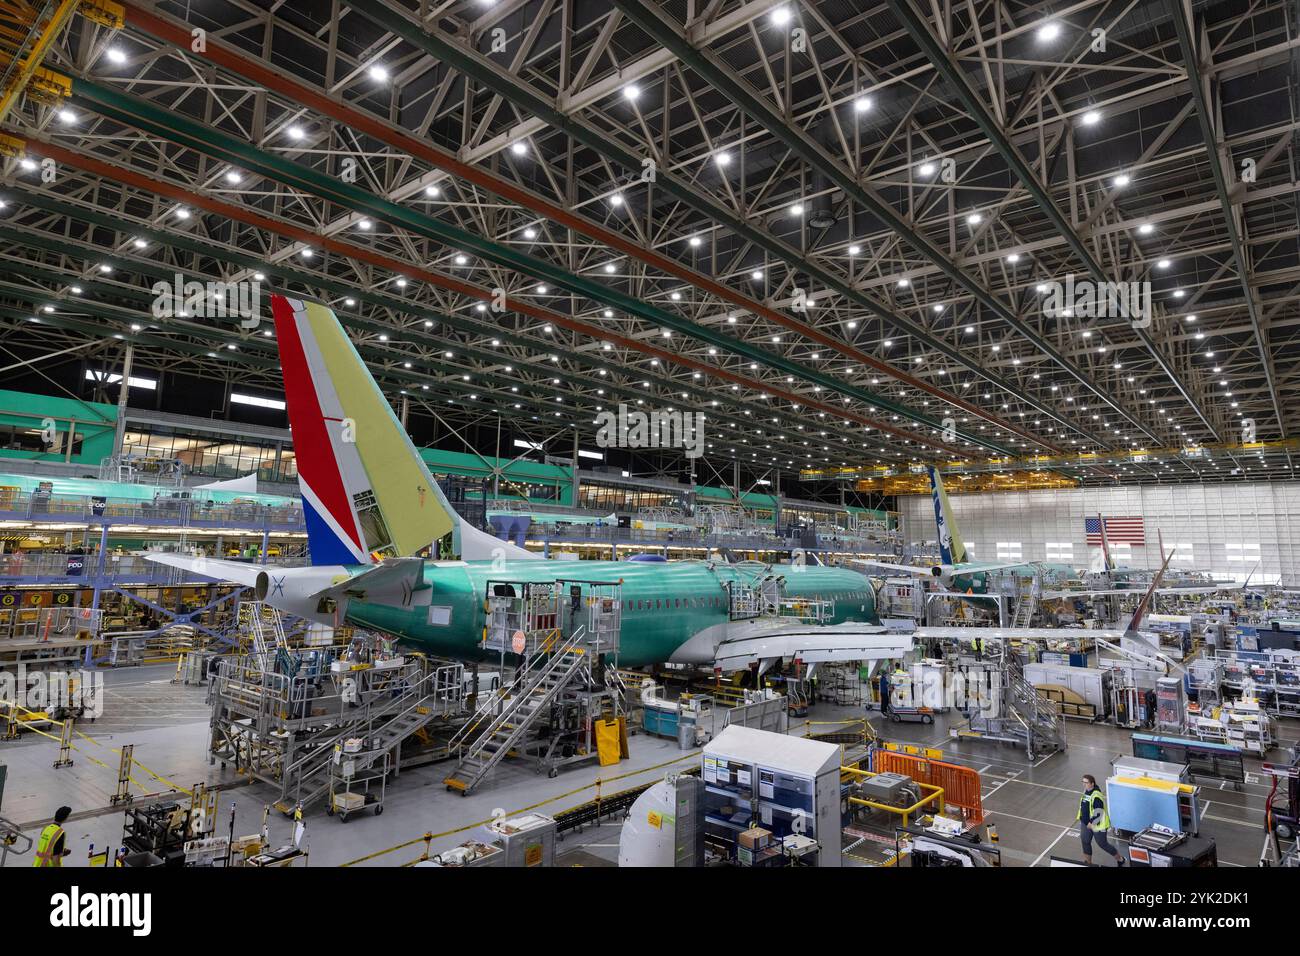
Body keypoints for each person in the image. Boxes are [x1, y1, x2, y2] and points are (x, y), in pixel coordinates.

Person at [1076, 775, 1125, 866]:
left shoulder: (1096, 795)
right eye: (1083, 782)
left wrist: (1092, 823)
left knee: (1102, 844)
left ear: (1092, 784)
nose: (1084, 784)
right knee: (1085, 841)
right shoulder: (1086, 791)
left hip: (1096, 825)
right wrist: (1084, 820)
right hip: (1085, 823)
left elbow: (1099, 811)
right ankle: (1088, 863)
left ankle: (1120, 859)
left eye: (1086, 782)